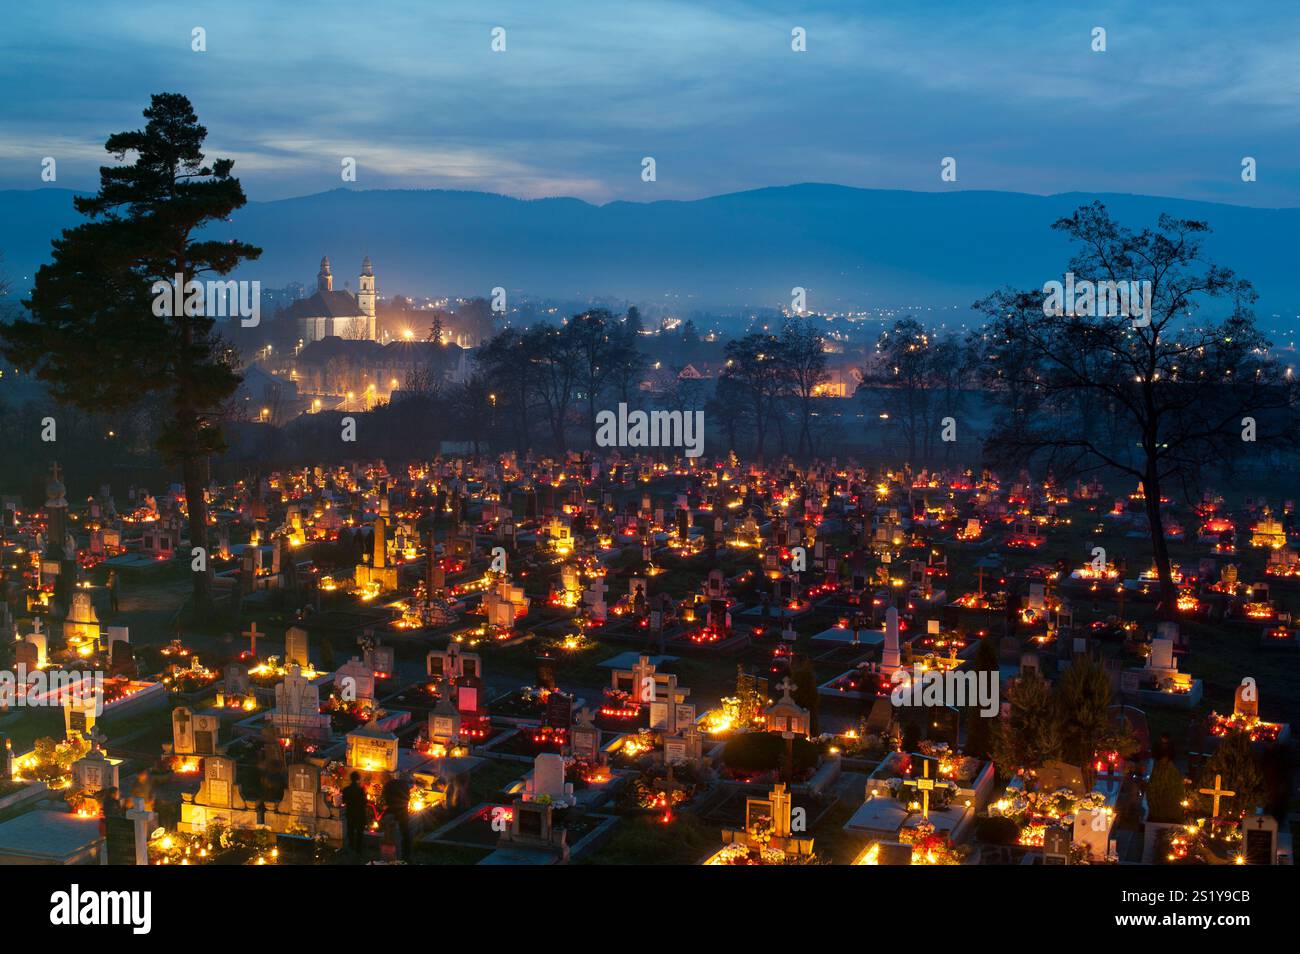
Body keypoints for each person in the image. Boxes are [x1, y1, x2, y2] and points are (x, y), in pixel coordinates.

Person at [381, 771, 412, 862]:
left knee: (389, 834)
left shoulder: (388, 785)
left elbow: (385, 799)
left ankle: (389, 856)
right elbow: (408, 798)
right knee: (405, 833)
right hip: (402, 811)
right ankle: (406, 855)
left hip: (391, 811)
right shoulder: (404, 785)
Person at [342, 771, 368, 857]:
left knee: (350, 832)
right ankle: (358, 851)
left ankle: (351, 848)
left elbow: (344, 801)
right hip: (360, 814)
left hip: (350, 814)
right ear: (358, 779)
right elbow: (364, 802)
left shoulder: (346, 790)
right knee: (359, 833)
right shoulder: (361, 790)